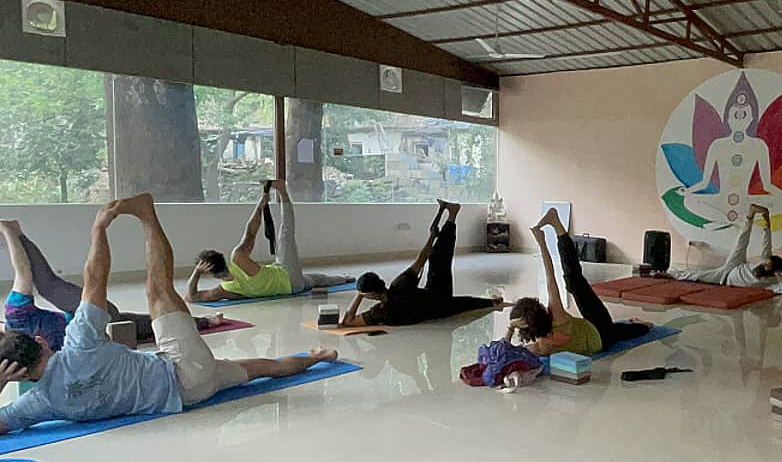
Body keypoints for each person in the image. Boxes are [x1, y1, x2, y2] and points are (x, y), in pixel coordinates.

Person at [0, 193, 337, 434]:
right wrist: (98, 229)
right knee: (158, 289)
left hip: (189, 395)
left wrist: (0, 382)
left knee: (262, 368)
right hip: (183, 371)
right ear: (41, 341)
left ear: (17, 375)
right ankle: (147, 212)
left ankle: (317, 355)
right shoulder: (79, 344)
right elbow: (95, 280)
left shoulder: (39, 404)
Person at [1, 219, 222, 348]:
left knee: (49, 287)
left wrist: (11, 233)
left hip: (91, 315)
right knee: (136, 324)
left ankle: (202, 321)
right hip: (100, 329)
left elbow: (24, 272)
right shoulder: (15, 353)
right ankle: (203, 321)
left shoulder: (16, 315)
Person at [508, 208, 652, 356]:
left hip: (600, 336)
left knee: (616, 330)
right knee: (574, 281)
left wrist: (510, 328)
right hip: (599, 328)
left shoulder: (542, 347)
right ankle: (557, 224)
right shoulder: (557, 316)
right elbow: (550, 274)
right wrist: (542, 243)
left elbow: (506, 352)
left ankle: (639, 326)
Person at [341, 200, 502, 327]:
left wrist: (359, 295)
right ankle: (452, 214)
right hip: (438, 299)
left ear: (371, 294)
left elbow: (347, 321)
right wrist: (432, 237)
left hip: (438, 306)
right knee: (440, 260)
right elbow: (422, 258)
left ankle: (452, 213)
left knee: (459, 300)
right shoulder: (399, 285)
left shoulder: (381, 312)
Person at [187, 180, 351, 302]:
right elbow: (250, 232)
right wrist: (261, 204)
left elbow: (191, 297)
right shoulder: (238, 258)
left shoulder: (224, 291)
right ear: (220, 257)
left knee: (314, 279)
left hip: (293, 288)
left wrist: (196, 272)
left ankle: (343, 279)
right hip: (287, 274)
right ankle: (282, 191)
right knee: (285, 233)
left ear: (208, 272)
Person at [674, 204, 782, 293]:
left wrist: (778, 274)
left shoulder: (772, 280)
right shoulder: (766, 261)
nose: (765, 264)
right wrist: (767, 222)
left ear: (773, 271)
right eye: (767, 262)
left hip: (725, 276)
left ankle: (672, 274)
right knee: (742, 242)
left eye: (768, 265)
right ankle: (750, 216)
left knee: (698, 276)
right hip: (735, 265)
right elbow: (767, 244)